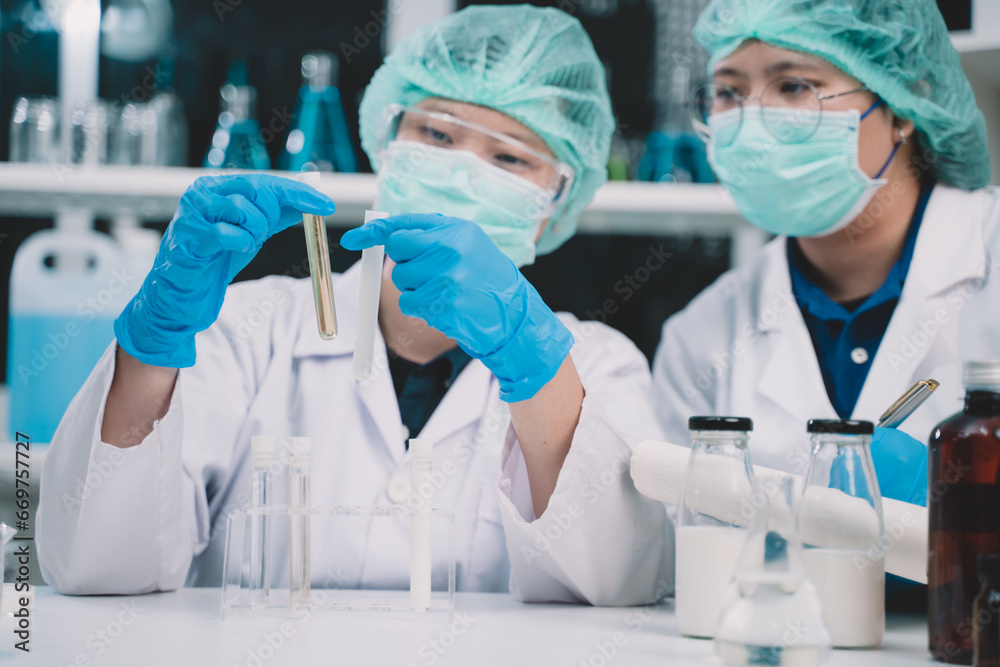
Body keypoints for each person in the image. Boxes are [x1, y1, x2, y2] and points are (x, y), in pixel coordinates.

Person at [38, 5, 673, 605]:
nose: (461, 170)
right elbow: (94, 566)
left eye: (509, 157)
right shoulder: (244, 330)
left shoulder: (596, 368)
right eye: (437, 133)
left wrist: (531, 361)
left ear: (557, 201)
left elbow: (624, 582)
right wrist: (154, 340)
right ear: (387, 143)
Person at [653, 0, 999, 507]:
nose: (751, 123)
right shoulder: (701, 335)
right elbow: (673, 552)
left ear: (902, 103)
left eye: (794, 85)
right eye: (727, 92)